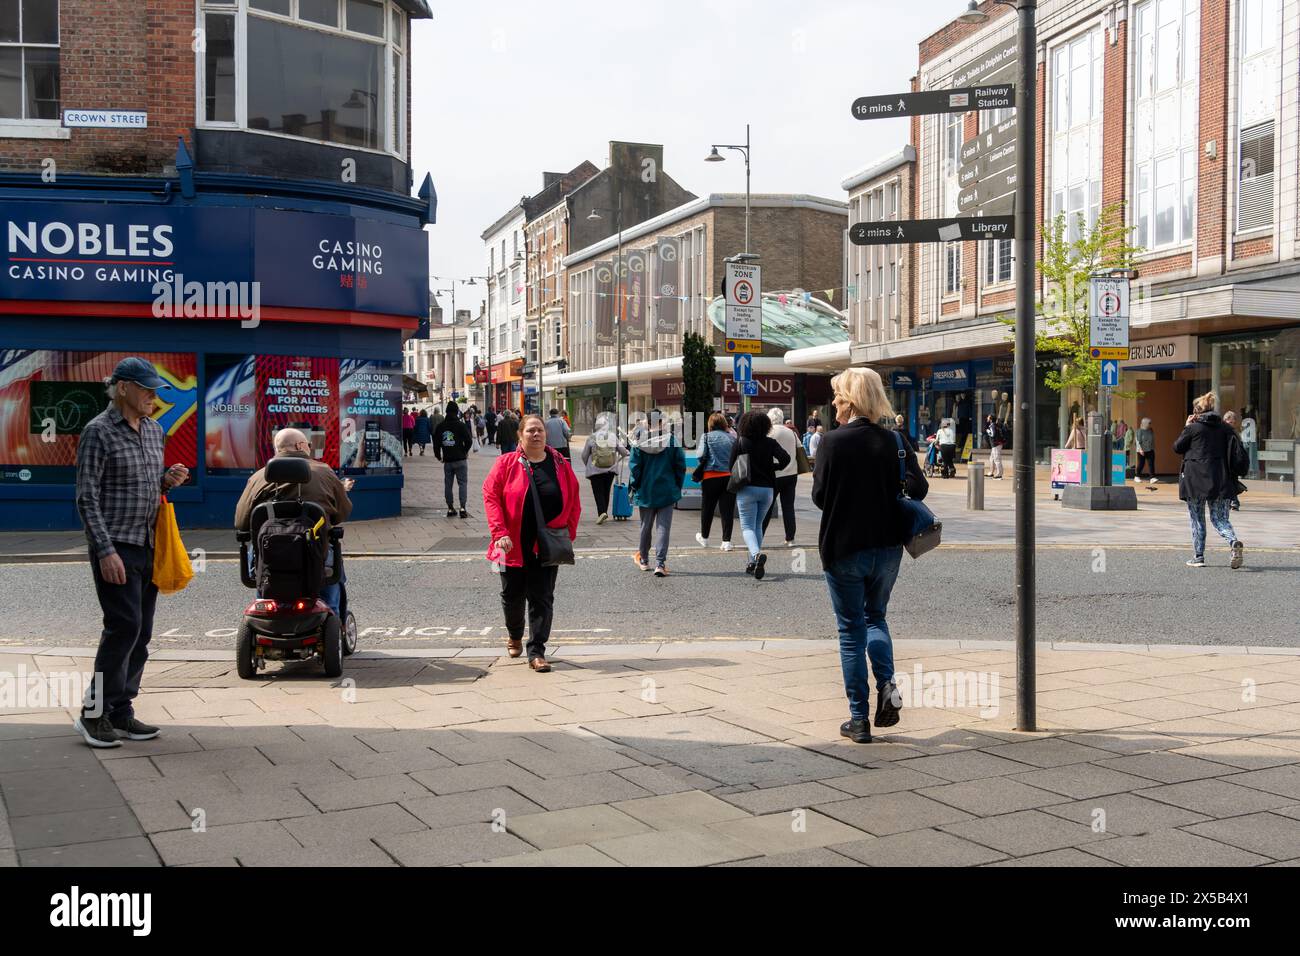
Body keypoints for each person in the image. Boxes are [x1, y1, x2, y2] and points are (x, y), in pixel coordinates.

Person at [73, 357, 191, 748]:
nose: (153, 397)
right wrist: (104, 551)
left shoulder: (155, 430)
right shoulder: (98, 432)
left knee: (141, 631)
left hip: (149, 544)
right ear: (122, 387)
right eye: (146, 389)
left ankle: (122, 711)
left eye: (155, 390)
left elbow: (145, 486)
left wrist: (166, 481)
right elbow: (87, 497)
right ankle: (94, 714)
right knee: (122, 626)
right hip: (117, 545)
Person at [812, 367, 928, 744]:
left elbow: (818, 497)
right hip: (887, 547)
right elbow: (918, 488)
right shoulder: (895, 441)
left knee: (850, 631)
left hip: (844, 546)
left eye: (837, 396)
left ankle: (859, 720)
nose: (832, 402)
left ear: (848, 400)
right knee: (875, 617)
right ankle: (888, 686)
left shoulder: (831, 442)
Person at [483, 414, 581, 672]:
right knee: (511, 596)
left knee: (542, 598)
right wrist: (499, 532)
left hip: (546, 545)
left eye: (540, 430)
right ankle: (515, 634)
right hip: (510, 544)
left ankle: (536, 651)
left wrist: (567, 533)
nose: (536, 434)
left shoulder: (560, 463)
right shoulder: (505, 463)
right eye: (530, 431)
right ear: (520, 435)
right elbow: (490, 495)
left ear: (546, 434)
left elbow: (574, 497)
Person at [234, 427, 354, 615]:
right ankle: (331, 620)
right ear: (299, 445)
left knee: (262, 573)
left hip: (269, 558)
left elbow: (241, 522)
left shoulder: (257, 478)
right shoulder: (325, 472)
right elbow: (342, 513)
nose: (309, 448)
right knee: (330, 587)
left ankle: (265, 611)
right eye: (308, 444)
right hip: (315, 555)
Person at [1174, 392, 1245, 569]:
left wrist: (1186, 426)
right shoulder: (1226, 429)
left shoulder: (1193, 428)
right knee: (1220, 518)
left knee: (1197, 518)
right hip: (1221, 479)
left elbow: (1178, 447)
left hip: (1195, 479)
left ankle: (1198, 557)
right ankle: (1233, 541)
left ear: (1196, 412)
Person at [733, 410, 790, 580]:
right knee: (757, 525)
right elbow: (786, 459)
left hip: (747, 488)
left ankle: (757, 555)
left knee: (747, 527)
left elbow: (731, 465)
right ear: (766, 426)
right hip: (767, 490)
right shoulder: (770, 443)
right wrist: (773, 468)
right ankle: (752, 563)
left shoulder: (741, 442)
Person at [628, 411, 686, 576]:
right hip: (667, 490)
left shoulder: (640, 442)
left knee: (645, 526)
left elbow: (635, 468)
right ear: (661, 423)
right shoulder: (672, 441)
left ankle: (644, 560)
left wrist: (635, 485)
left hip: (646, 491)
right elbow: (680, 466)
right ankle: (660, 564)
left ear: (647, 423)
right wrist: (676, 486)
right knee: (663, 528)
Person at [694, 412, 737, 551]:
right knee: (727, 510)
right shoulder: (732, 438)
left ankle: (705, 538)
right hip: (728, 476)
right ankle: (726, 542)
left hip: (710, 477)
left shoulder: (706, 437)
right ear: (724, 423)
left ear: (711, 424)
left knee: (708, 508)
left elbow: (700, 455)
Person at [761, 408, 801, 547]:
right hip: (791, 473)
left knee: (767, 506)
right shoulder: (791, 432)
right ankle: (790, 538)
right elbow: (800, 449)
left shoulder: (769, 432)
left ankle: (759, 536)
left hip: (774, 474)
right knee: (788, 506)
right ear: (782, 418)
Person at [580, 413, 627, 524]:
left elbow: (584, 455)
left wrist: (588, 464)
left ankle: (602, 513)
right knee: (606, 491)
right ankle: (604, 512)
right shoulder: (612, 436)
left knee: (598, 492)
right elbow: (623, 451)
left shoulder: (592, 437)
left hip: (595, 470)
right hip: (610, 470)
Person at [433, 401, 473, 518]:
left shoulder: (441, 426)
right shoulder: (461, 425)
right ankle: (462, 508)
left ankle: (450, 508)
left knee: (448, 484)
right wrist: (464, 451)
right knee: (462, 483)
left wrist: (439, 456)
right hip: (460, 459)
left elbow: (436, 444)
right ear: (456, 412)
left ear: (446, 412)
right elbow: (469, 440)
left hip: (448, 461)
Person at [1223, 410, 1242, 511]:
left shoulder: (1235, 434)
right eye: (1230, 422)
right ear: (1225, 421)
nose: (1232, 424)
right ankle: (1232, 501)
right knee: (1229, 482)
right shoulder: (1223, 432)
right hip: (1225, 461)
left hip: (1232, 462)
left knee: (1232, 481)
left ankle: (1234, 501)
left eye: (1234, 422)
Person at [1134, 417, 1156, 483]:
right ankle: (1137, 476)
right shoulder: (1139, 431)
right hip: (1141, 450)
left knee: (1151, 464)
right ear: (1144, 423)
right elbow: (1137, 441)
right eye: (1149, 423)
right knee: (1141, 464)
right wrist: (1140, 450)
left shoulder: (1150, 430)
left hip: (1150, 449)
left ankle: (1152, 478)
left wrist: (1153, 447)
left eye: (1150, 423)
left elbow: (1152, 439)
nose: (1150, 424)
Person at [984, 413, 1005, 479]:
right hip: (996, 445)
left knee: (997, 459)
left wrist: (988, 431)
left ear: (990, 419)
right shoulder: (995, 425)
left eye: (988, 417)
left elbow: (992, 434)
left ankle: (999, 474)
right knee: (992, 459)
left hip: (996, 444)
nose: (987, 418)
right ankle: (991, 472)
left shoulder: (992, 426)